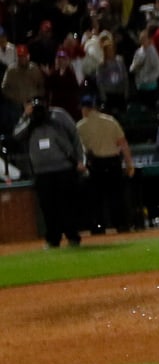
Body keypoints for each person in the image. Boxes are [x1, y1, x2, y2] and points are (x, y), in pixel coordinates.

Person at [12, 95, 85, 249]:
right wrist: (28, 117)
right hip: (42, 171)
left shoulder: (59, 115)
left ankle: (73, 237)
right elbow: (17, 136)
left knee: (67, 205)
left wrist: (80, 161)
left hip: (64, 168)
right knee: (47, 208)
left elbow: (75, 137)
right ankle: (53, 239)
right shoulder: (27, 120)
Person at [77, 94, 135, 235]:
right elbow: (123, 144)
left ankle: (98, 227)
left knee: (96, 199)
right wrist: (129, 164)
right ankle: (122, 225)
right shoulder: (110, 121)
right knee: (116, 197)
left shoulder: (80, 126)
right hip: (113, 162)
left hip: (95, 164)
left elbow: (79, 149)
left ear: (84, 109)